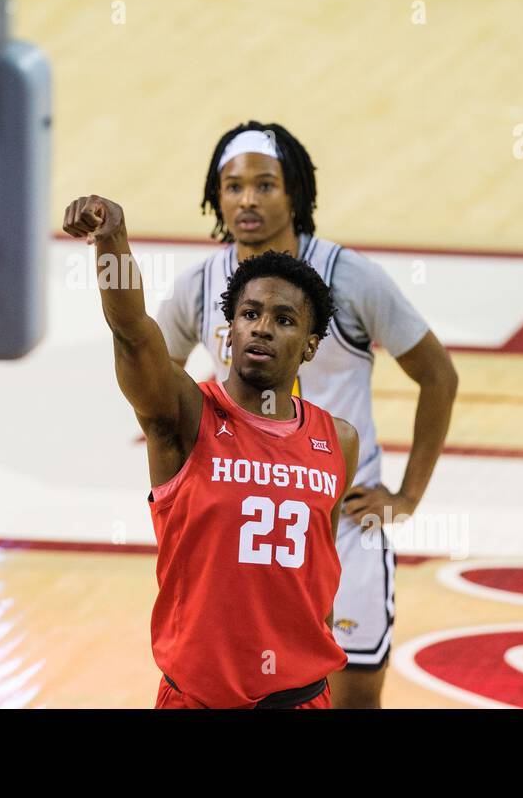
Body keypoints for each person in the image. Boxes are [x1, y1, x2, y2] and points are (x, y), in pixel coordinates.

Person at [155, 121, 458, 708]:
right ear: (216, 197)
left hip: (342, 521)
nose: (247, 199)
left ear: (295, 192)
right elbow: (155, 382)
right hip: (243, 518)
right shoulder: (199, 286)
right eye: (233, 186)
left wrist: (409, 495)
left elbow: (438, 375)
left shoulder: (350, 277)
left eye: (265, 185)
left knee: (349, 700)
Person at [64, 193, 358, 709]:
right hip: (197, 699)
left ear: (310, 345)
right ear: (230, 330)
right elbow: (133, 334)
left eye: (285, 319)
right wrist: (111, 240)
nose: (262, 327)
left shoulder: (338, 440)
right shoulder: (184, 415)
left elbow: (317, 578)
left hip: (302, 698)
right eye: (250, 313)